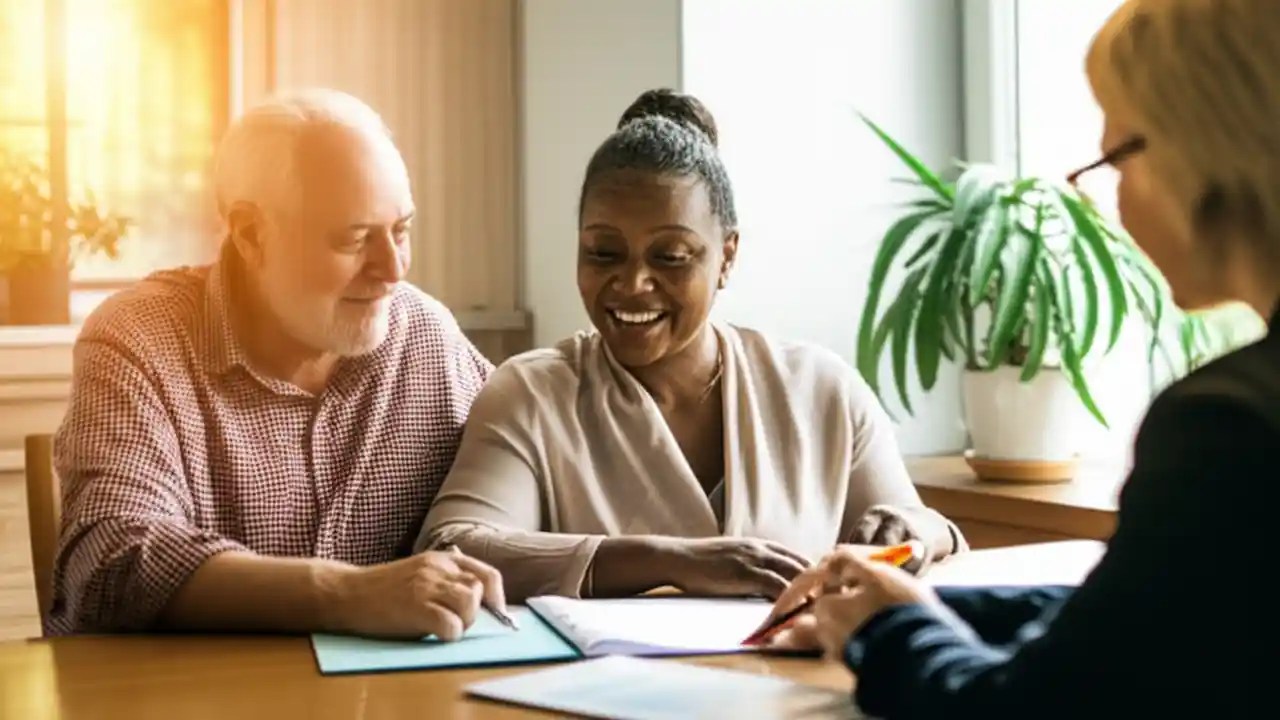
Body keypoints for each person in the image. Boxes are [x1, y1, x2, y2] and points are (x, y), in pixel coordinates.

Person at [757, 1, 1277, 716]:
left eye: (1115, 157)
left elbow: (1017, 708)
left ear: (1203, 151)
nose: (1111, 200)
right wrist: (919, 601)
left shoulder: (1227, 424)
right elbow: (1151, 615)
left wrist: (889, 627)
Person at [416, 89, 965, 603]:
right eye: (603, 253)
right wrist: (664, 560)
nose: (632, 284)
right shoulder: (532, 392)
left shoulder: (822, 390)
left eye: (671, 257)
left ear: (726, 257)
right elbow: (454, 546)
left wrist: (921, 530)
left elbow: (917, 529)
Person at [48, 88, 507, 639]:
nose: (392, 269)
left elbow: (536, 462)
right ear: (251, 234)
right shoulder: (140, 337)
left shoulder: (427, 337)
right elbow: (112, 559)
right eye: (354, 238)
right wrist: (346, 593)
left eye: (401, 230)